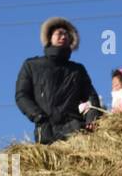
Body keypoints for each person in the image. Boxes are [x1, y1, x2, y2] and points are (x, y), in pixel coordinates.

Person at [15, 17, 101, 145]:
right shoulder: (32, 65)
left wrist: (91, 119)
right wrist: (39, 117)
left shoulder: (77, 70)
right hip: (46, 131)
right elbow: (22, 95)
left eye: (67, 34)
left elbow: (91, 96)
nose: (64, 36)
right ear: (50, 37)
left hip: (74, 129)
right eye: (59, 33)